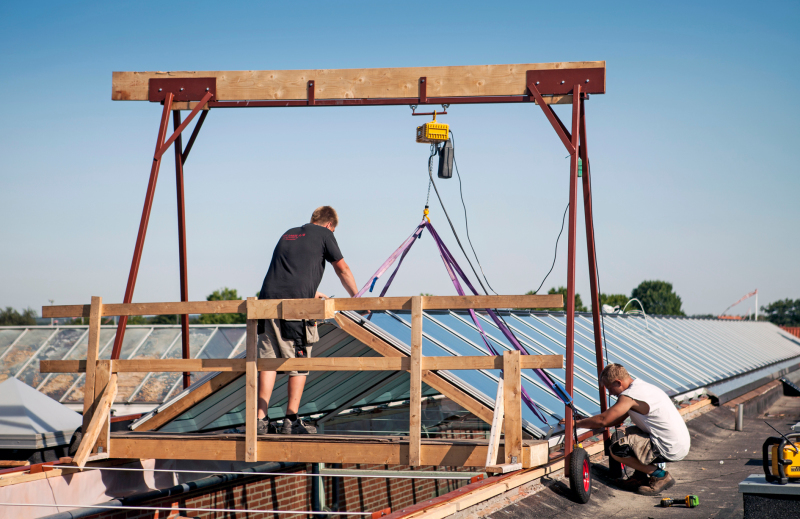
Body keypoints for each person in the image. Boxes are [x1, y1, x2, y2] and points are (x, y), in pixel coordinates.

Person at [256, 206, 358, 435]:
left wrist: (312, 293)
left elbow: (287, 274)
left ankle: (260, 421)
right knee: (299, 362)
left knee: (268, 362)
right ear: (330, 225)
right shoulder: (325, 235)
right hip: (295, 310)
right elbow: (343, 269)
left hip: (265, 304)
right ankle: (291, 421)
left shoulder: (289, 233)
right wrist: (358, 299)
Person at [574, 363, 691, 495]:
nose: (610, 393)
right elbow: (616, 419)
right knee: (632, 433)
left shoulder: (630, 396)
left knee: (618, 449)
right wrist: (584, 419)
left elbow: (604, 420)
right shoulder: (642, 388)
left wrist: (575, 424)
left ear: (618, 382)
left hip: (669, 446)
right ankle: (639, 477)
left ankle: (661, 476)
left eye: (609, 388)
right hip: (678, 443)